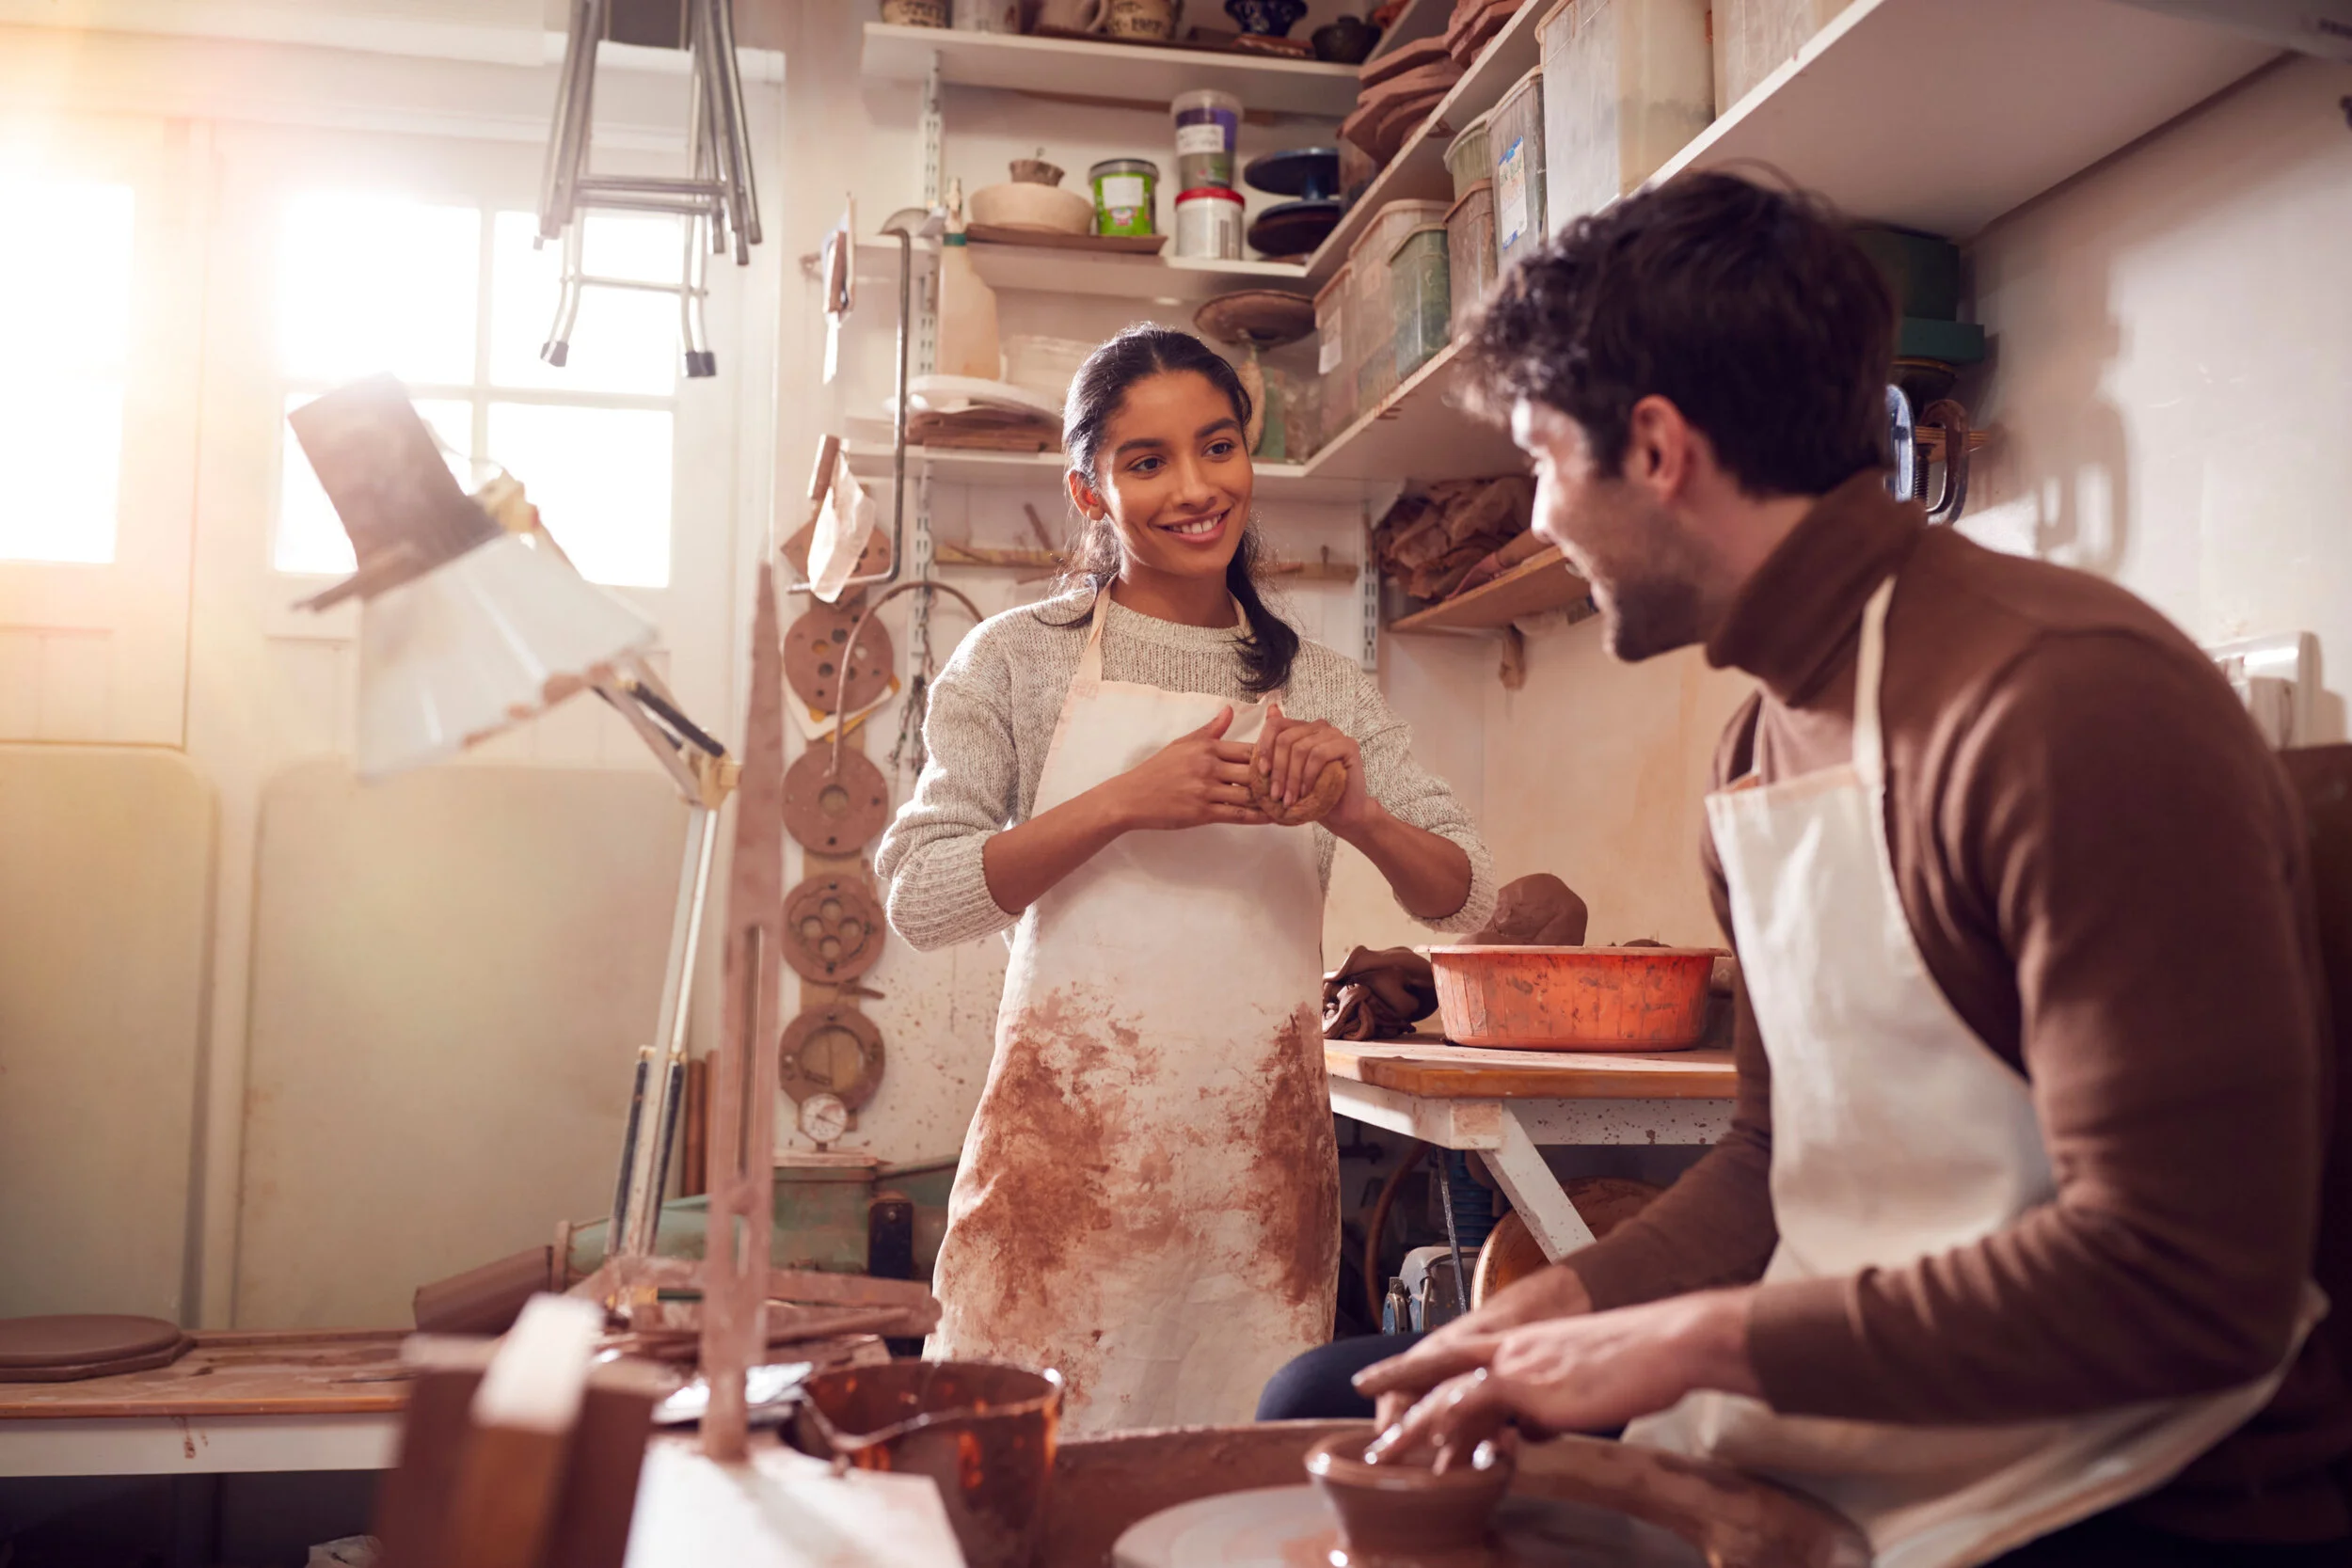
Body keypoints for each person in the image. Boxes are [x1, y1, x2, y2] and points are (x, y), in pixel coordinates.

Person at [1321, 172, 2350, 1566]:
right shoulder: (1762, 738)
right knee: (1329, 1399)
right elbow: (1774, 1160)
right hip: (1872, 1392)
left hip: (2126, 1463)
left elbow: (2185, 1279)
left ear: (1660, 445)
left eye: (1547, 462)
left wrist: (1681, 1340)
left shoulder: (2064, 704)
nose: (1545, 517)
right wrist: (1566, 1302)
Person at [875, 325, 1497, 1435]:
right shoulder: (1016, 660)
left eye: (1218, 447)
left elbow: (1465, 895)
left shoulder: (1324, 687)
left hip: (1249, 1198)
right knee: (1029, 1495)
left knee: (1229, 1506)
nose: (1195, 488)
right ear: (1087, 489)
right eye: (1146, 460)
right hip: (1059, 1183)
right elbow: (922, 897)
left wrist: (1356, 812)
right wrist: (1122, 801)